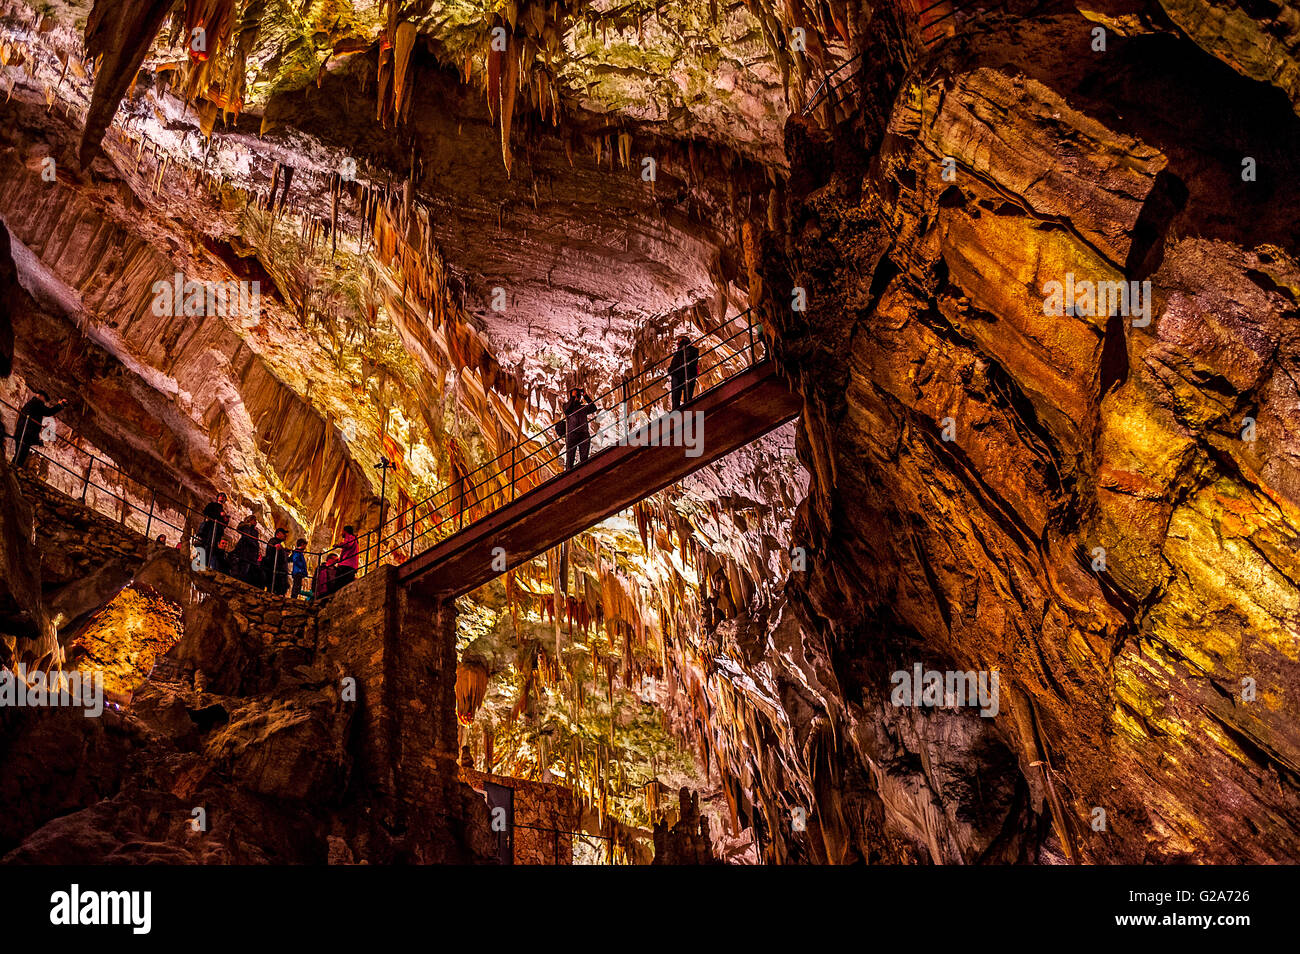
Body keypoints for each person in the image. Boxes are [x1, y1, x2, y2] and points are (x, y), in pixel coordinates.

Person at [12, 389, 66, 467]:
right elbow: (48, 412)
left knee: (19, 453)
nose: (44, 402)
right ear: (40, 396)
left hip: (21, 432)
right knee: (21, 454)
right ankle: (14, 469)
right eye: (44, 399)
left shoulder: (30, 404)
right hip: (26, 433)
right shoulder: (36, 402)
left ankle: (13, 468)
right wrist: (60, 405)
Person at [558, 385, 596, 471]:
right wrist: (572, 397)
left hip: (583, 434)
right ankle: (568, 474)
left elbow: (593, 408)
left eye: (577, 396)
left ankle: (584, 472)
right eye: (575, 396)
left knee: (584, 457)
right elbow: (567, 409)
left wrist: (585, 395)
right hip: (572, 434)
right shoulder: (566, 407)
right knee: (570, 459)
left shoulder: (582, 408)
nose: (576, 397)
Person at [196, 492, 228, 567]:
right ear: (218, 497)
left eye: (224, 497)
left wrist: (225, 519)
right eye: (221, 496)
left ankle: (206, 564)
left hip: (217, 531)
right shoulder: (212, 505)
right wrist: (219, 515)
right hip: (209, 528)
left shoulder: (222, 510)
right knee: (206, 545)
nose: (222, 497)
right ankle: (202, 563)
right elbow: (206, 512)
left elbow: (224, 525)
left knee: (212, 547)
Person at [668, 334, 699, 410]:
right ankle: (675, 410)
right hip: (677, 376)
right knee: (676, 395)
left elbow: (691, 361)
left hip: (688, 374)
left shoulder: (692, 350)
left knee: (687, 395)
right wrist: (671, 370)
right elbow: (674, 363)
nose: (677, 344)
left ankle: (687, 408)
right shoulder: (678, 353)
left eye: (679, 341)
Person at [231, 515, 261, 585]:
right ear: (250, 520)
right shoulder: (247, 528)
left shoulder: (254, 530)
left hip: (249, 552)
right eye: (254, 520)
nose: (255, 522)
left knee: (246, 568)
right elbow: (247, 537)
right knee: (243, 568)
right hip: (246, 551)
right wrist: (254, 545)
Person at [261, 528, 290, 595]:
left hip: (277, 569)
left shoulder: (278, 543)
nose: (285, 535)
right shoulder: (273, 541)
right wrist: (276, 547)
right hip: (274, 569)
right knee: (272, 586)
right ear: (278, 534)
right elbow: (272, 552)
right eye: (283, 533)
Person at [331, 525, 359, 593]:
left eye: (342, 531)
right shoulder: (353, 539)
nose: (341, 533)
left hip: (347, 565)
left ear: (345, 531)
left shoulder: (350, 537)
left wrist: (338, 545)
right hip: (349, 564)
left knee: (339, 581)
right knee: (343, 582)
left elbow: (348, 544)